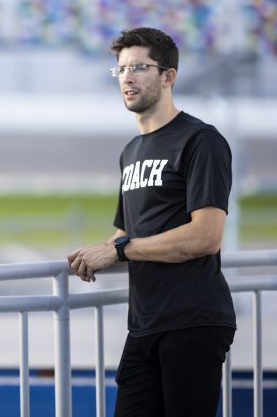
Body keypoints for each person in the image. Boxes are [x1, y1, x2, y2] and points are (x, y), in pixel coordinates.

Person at [67, 27, 236, 416]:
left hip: (193, 321)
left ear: (168, 76)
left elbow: (206, 236)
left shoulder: (200, 140)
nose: (127, 77)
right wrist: (96, 253)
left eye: (139, 67)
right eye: (121, 69)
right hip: (144, 324)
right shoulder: (131, 151)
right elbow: (127, 232)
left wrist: (119, 250)